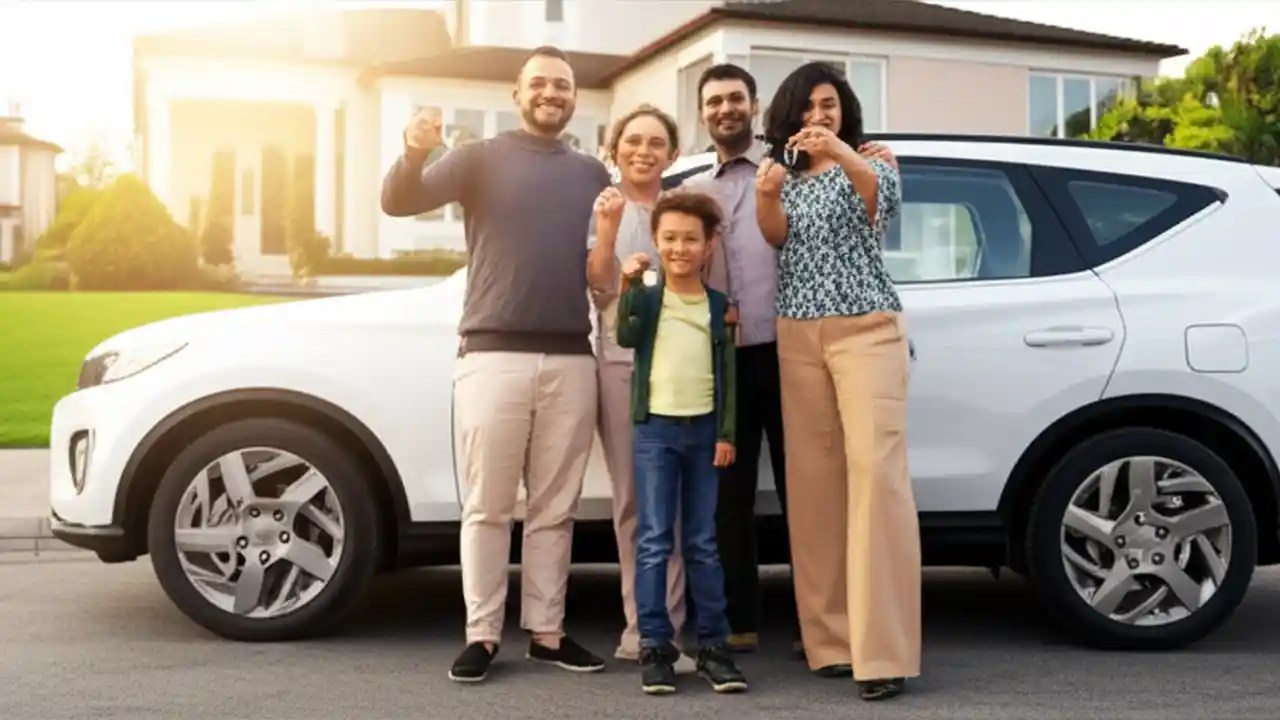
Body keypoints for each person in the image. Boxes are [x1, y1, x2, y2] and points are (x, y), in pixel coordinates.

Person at [381, 45, 612, 684]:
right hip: (491, 353)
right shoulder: (479, 158)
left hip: (572, 356)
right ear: (517, 93)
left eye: (562, 85)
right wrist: (414, 147)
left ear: (574, 97)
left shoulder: (592, 174)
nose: (550, 93)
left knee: (554, 508)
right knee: (486, 505)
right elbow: (399, 202)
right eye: (538, 83)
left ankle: (546, 632)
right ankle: (482, 634)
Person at [679, 62, 899, 657]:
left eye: (735, 98)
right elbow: (689, 252)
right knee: (747, 492)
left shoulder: (821, 162)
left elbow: (867, 216)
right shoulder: (708, 186)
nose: (725, 109)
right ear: (702, 113)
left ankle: (847, 633)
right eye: (713, 101)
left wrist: (847, 151)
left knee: (837, 487)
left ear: (752, 106)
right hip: (736, 352)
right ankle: (750, 624)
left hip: (797, 345)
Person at [755, 61, 920, 701]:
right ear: (789, 117)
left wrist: (845, 151)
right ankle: (829, 640)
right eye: (805, 108)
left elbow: (884, 210)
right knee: (815, 486)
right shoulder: (785, 174)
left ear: (844, 110)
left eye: (827, 105)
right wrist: (768, 195)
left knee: (877, 478)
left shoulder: (873, 161)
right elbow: (778, 241)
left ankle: (883, 652)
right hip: (799, 333)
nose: (815, 116)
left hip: (866, 329)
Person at [613, 190, 749, 695]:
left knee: (702, 543)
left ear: (708, 245)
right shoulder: (648, 300)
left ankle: (714, 646)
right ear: (655, 240)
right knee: (652, 540)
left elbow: (729, 377)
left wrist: (727, 433)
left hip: (704, 433)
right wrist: (628, 282)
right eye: (669, 238)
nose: (680, 248)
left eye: (691, 239)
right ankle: (656, 646)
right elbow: (625, 335)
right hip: (655, 433)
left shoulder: (719, 308)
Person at [586, 104, 694, 673]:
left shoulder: (682, 209)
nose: (643, 151)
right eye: (632, 141)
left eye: (656, 142)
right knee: (633, 503)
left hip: (680, 370)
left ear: (672, 154)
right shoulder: (602, 207)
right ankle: (641, 627)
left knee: (672, 504)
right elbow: (599, 286)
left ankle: (667, 630)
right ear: (614, 148)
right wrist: (606, 235)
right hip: (620, 366)